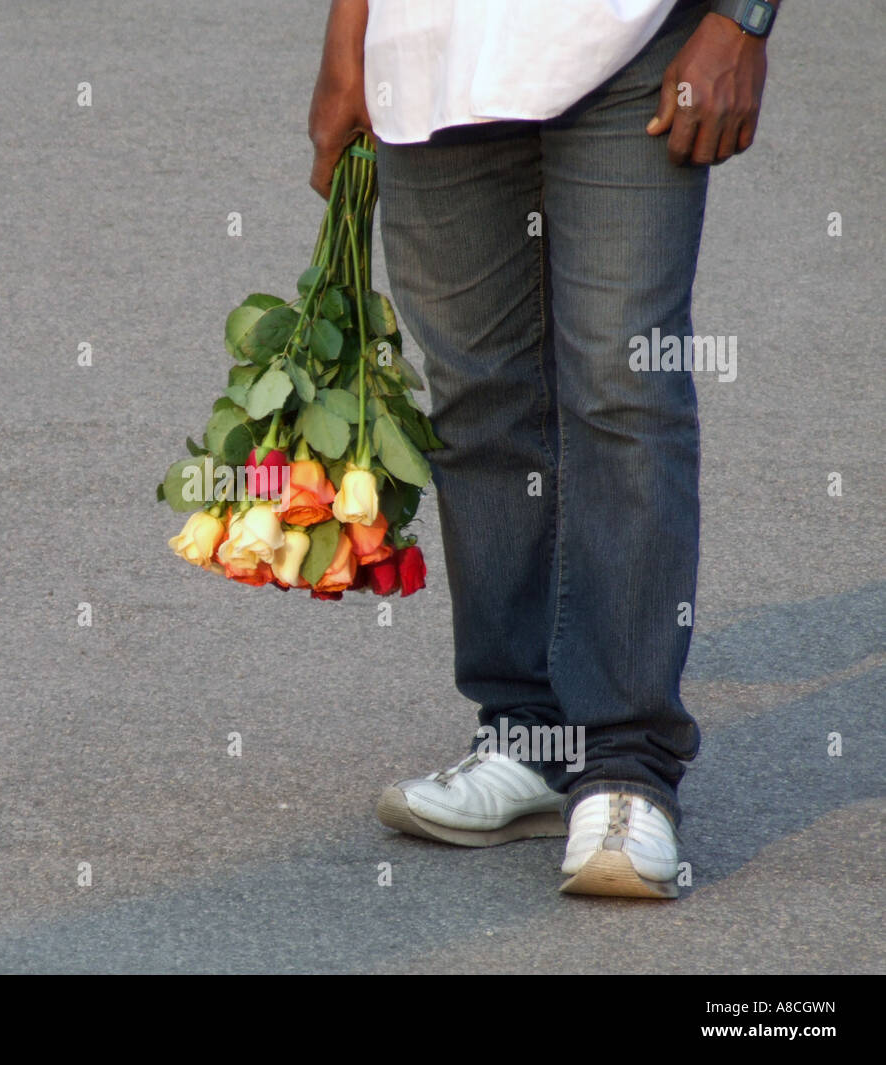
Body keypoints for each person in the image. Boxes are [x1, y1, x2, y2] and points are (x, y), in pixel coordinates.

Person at [309, 0, 776, 898]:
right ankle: (527, 737)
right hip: (430, 54)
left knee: (622, 387)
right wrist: (348, 33)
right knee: (478, 396)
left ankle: (628, 768)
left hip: (638, 38)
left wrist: (744, 19)